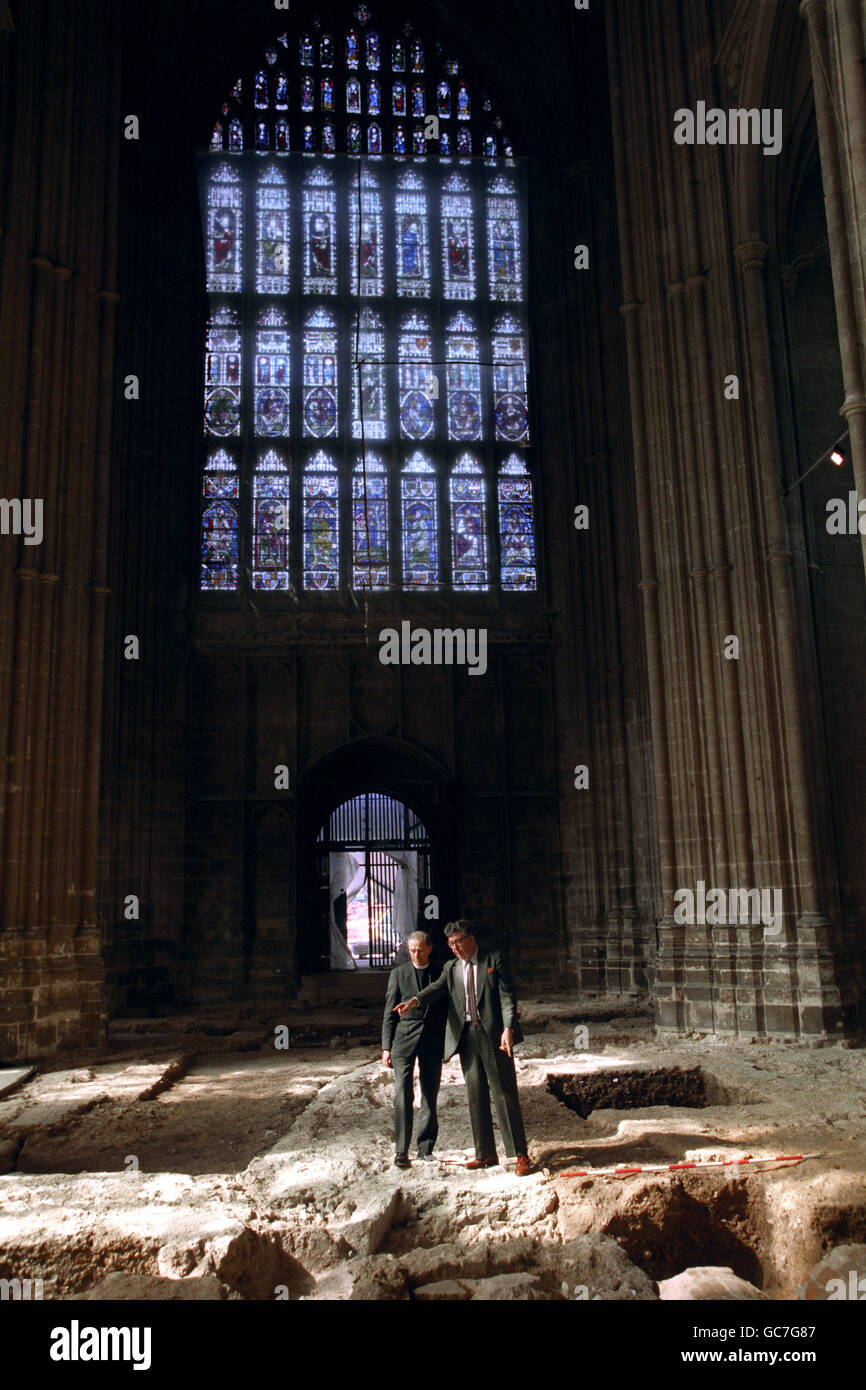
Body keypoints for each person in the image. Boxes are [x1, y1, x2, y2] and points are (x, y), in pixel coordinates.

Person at [394, 920, 532, 1176]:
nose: (455, 948)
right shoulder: (451, 967)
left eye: (458, 942)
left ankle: (519, 1155)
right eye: (450, 944)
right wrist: (415, 1000)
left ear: (471, 939)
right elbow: (436, 988)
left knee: (504, 1093)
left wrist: (508, 1028)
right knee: (475, 1094)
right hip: (466, 1038)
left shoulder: (493, 959)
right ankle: (485, 1154)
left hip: (494, 1036)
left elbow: (506, 997)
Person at [382, 930, 447, 1169]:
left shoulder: (441, 972)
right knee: (402, 1094)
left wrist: (448, 1045)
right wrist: (386, 1047)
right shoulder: (398, 974)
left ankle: (425, 1148)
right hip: (403, 1041)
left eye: (420, 950)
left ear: (429, 948)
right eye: (411, 950)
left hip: (432, 1039)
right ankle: (401, 1151)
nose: (416, 955)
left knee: (430, 1094)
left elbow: (449, 1008)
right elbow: (389, 1012)